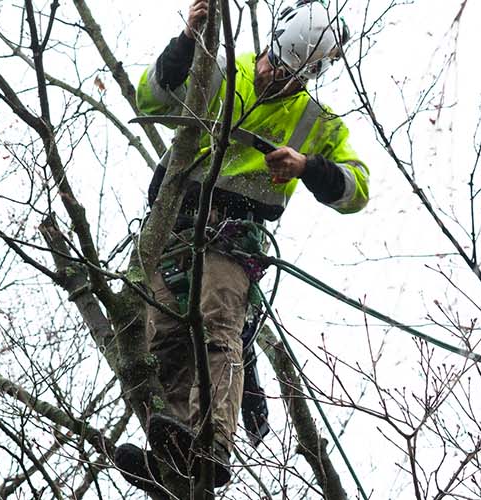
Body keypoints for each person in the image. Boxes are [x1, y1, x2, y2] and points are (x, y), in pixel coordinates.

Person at [113, 0, 370, 496]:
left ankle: (209, 445)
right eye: (274, 63)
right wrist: (188, 43)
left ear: (309, 74)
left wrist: (307, 167)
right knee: (160, 340)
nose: (275, 76)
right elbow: (152, 100)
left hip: (235, 237)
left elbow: (356, 190)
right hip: (175, 228)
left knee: (217, 325)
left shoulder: (317, 122)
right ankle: (170, 459)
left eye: (289, 75)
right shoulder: (223, 69)